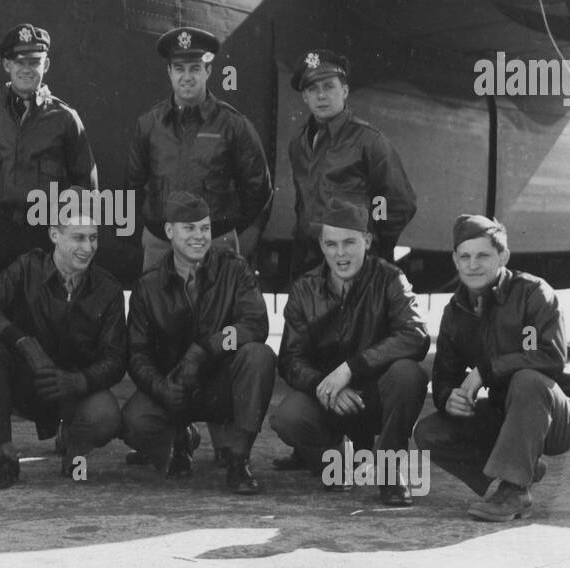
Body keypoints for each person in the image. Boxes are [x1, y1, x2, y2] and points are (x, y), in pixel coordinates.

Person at [413, 214, 570, 521]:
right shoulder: (455, 312)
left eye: (483, 255)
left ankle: (514, 491)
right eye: (465, 257)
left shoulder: (532, 293)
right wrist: (449, 398)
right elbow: (445, 372)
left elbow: (548, 359)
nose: (473, 265)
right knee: (430, 432)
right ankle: (522, 467)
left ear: (503, 256)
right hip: (509, 412)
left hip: (562, 411)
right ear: (455, 261)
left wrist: (484, 371)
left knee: (527, 379)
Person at [269, 199, 430, 505]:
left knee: (409, 375)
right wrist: (325, 386)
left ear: (367, 241)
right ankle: (338, 463)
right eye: (331, 244)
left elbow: (416, 335)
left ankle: (388, 469)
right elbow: (290, 359)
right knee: (287, 417)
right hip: (330, 398)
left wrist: (351, 369)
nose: (340, 254)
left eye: (349, 243)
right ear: (321, 245)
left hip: (375, 396)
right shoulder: (305, 289)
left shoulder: (390, 278)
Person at [121, 191, 276, 494]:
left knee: (259, 356)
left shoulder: (235, 269)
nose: (199, 236)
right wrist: (159, 387)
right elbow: (137, 353)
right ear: (169, 232)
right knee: (134, 421)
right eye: (189, 228)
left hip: (222, 384)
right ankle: (180, 440)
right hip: (175, 386)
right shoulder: (148, 285)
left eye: (204, 228)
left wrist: (208, 348)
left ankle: (239, 460)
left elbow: (253, 325)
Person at [0, 206, 126, 488]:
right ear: (54, 234)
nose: (87, 247)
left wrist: (80, 380)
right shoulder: (27, 267)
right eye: (78, 238)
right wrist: (23, 342)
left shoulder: (108, 288)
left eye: (93, 238)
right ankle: (5, 455)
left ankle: (75, 451)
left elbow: (115, 358)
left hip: (74, 390)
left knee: (105, 414)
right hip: (28, 381)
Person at [126, 26, 272, 272]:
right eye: (180, 69)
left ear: (208, 71)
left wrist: (222, 229)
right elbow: (132, 185)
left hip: (214, 244)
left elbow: (258, 189)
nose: (187, 77)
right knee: (159, 310)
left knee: (218, 309)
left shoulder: (233, 125)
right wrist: (155, 231)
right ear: (169, 72)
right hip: (162, 245)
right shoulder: (148, 125)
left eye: (195, 68)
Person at [0, 22, 98, 286]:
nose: (27, 69)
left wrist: (62, 231)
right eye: (19, 61)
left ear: (46, 65)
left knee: (42, 312)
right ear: (7, 65)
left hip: (43, 233)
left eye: (34, 62)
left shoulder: (65, 119)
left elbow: (86, 185)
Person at [288, 49, 416, 277]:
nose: (321, 95)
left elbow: (397, 202)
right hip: (311, 264)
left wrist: (372, 244)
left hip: (359, 264)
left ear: (344, 91)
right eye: (312, 89)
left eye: (329, 87)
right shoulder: (298, 143)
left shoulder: (369, 140)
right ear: (305, 97)